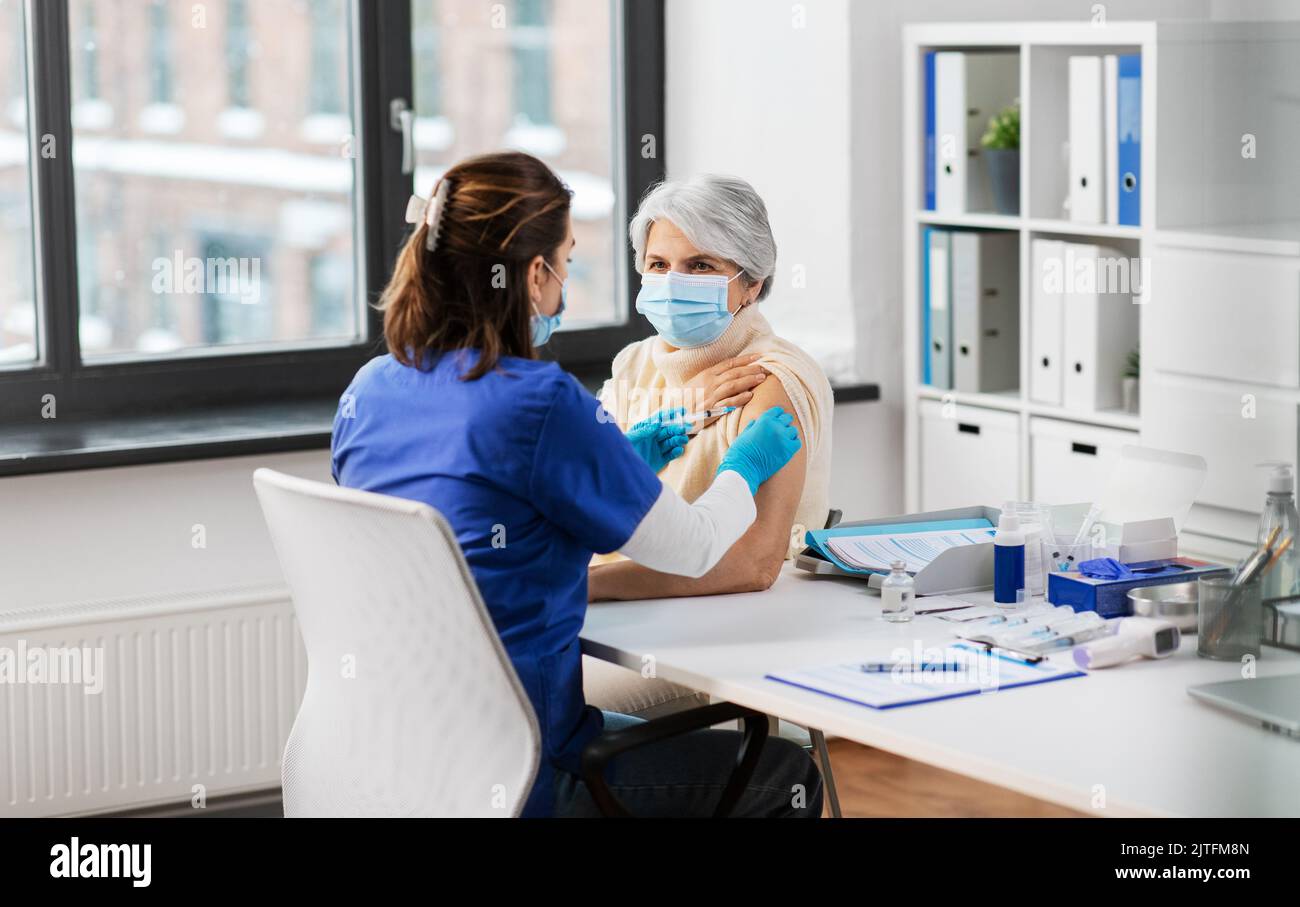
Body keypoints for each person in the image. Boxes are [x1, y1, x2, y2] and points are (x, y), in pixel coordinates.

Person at [330, 151, 823, 818]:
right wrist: (745, 463)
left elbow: (500, 504)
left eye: (700, 265)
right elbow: (701, 546)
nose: (568, 280)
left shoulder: (371, 389)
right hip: (527, 760)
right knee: (783, 768)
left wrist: (625, 454)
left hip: (389, 754)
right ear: (534, 275)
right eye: (565, 260)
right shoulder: (541, 402)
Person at [584, 175, 835, 720]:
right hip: (619, 613)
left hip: (722, 637)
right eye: (658, 264)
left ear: (752, 283)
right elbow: (589, 495)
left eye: (700, 266)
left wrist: (592, 586)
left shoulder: (771, 378)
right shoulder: (633, 364)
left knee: (533, 704)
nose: (674, 281)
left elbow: (752, 564)